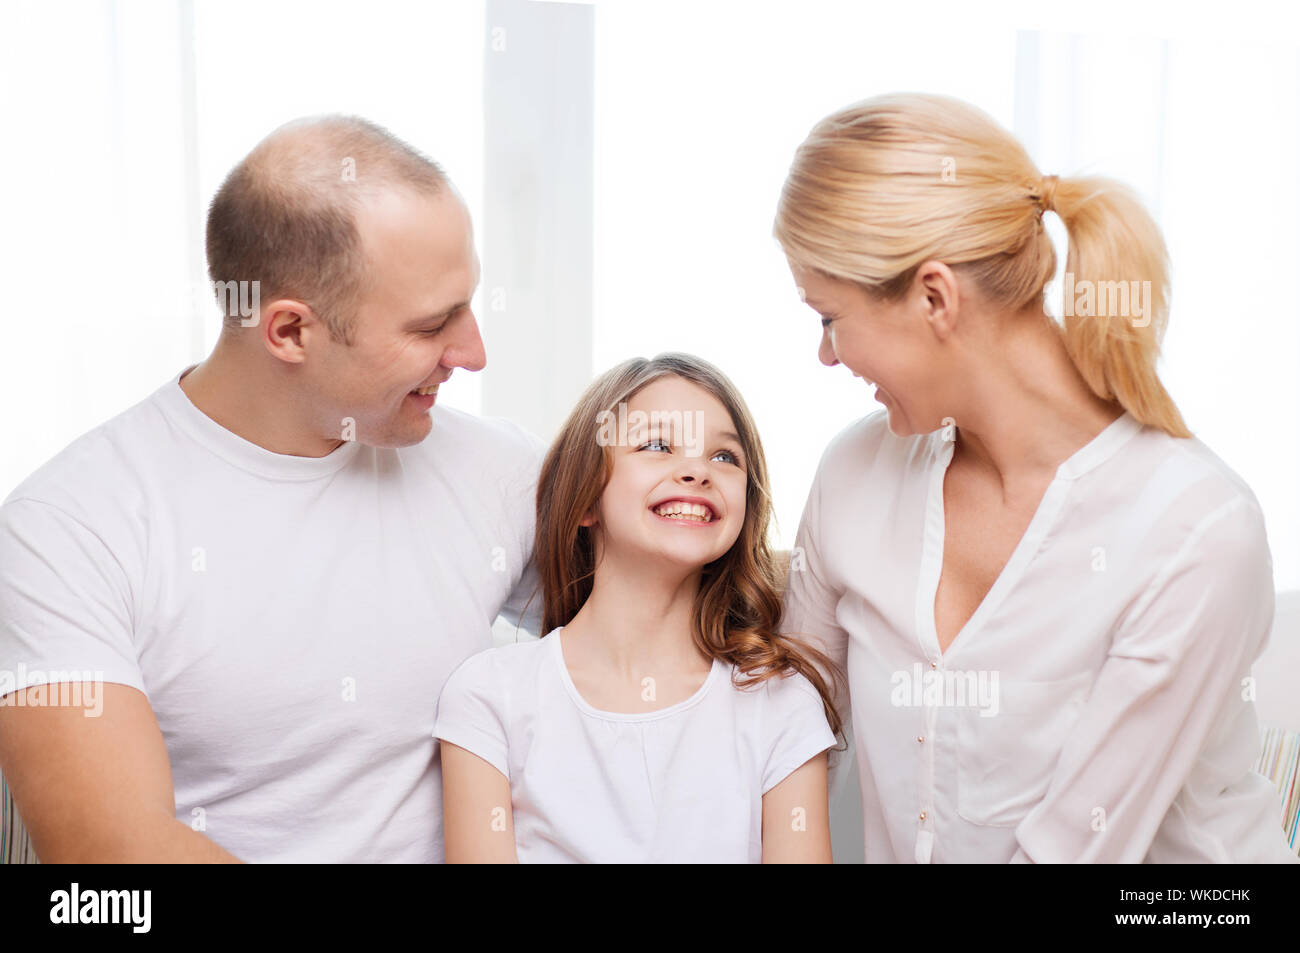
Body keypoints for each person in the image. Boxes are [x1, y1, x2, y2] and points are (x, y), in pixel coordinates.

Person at [0, 116, 543, 862]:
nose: (474, 352)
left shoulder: (497, 468)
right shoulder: (67, 526)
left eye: (469, 302)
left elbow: (688, 628)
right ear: (288, 331)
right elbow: (111, 857)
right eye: (432, 324)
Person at [775, 92, 1298, 863]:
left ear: (933, 296)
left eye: (828, 317)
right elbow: (788, 731)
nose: (825, 355)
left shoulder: (1195, 532)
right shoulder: (854, 475)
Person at [434, 354, 845, 862]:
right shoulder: (490, 697)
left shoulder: (780, 701)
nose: (697, 470)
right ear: (585, 500)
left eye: (725, 457)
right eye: (656, 445)